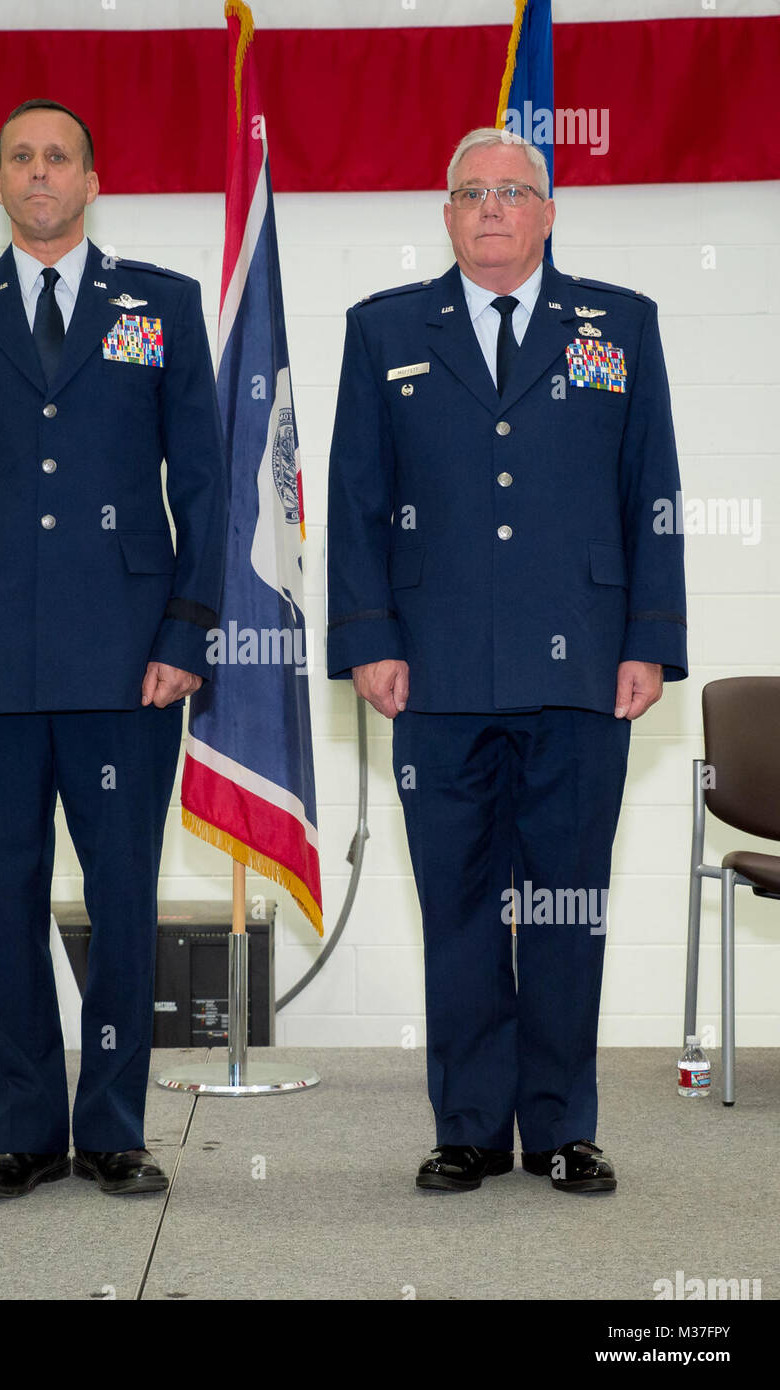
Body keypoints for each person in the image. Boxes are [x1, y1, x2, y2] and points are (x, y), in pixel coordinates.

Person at [326, 127, 686, 1195]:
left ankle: (564, 1126)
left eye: (512, 191)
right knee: (461, 905)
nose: (491, 208)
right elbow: (352, 503)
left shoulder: (616, 325)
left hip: (582, 672)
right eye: (471, 192)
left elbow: (647, 491)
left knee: (567, 902)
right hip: (431, 674)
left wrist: (650, 643)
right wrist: (368, 639)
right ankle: (469, 1128)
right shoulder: (384, 327)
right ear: (445, 213)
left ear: (545, 210)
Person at [0, 99, 227, 1199]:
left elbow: (205, 483)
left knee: (124, 895)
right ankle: (23, 1131)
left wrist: (186, 627)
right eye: (21, 157)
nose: (39, 173)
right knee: (4, 899)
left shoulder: (163, 304)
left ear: (91, 178)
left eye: (59, 156)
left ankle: (115, 1126)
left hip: (131, 657)